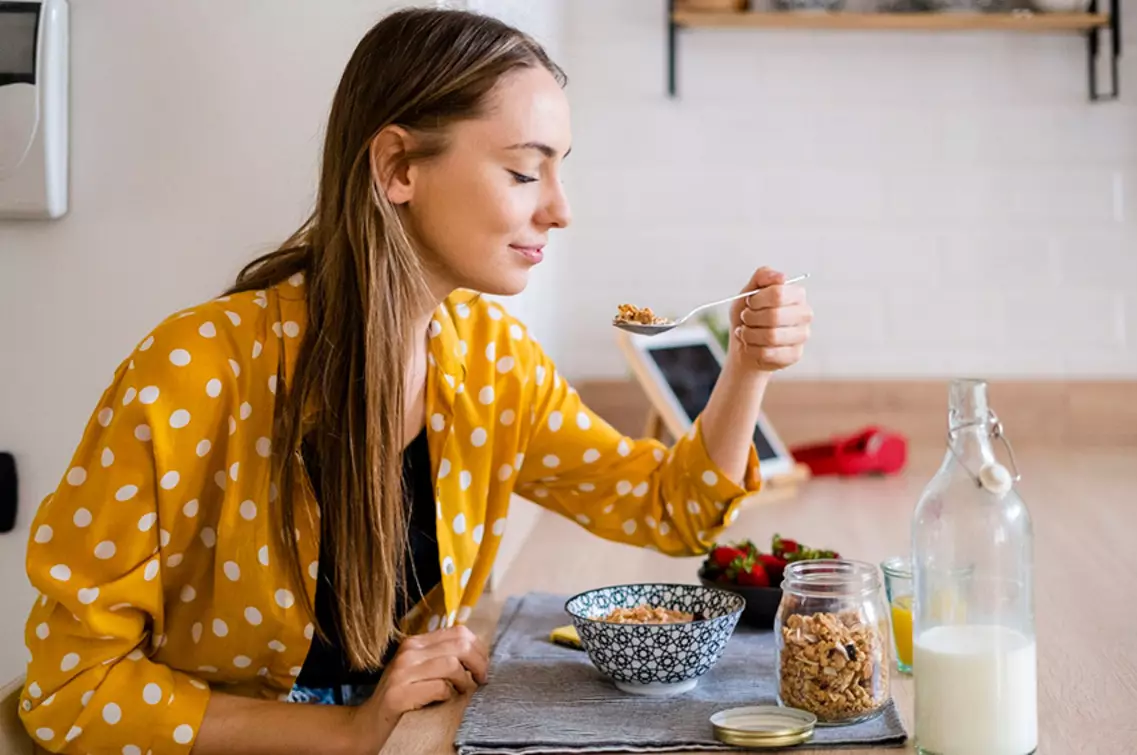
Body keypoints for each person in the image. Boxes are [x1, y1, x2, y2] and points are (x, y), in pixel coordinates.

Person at [18, 8, 812, 755]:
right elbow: (72, 688)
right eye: (525, 172)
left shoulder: (494, 363)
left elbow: (666, 509)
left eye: (559, 171)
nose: (561, 210)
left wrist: (747, 366)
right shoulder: (193, 370)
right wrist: (349, 732)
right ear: (399, 166)